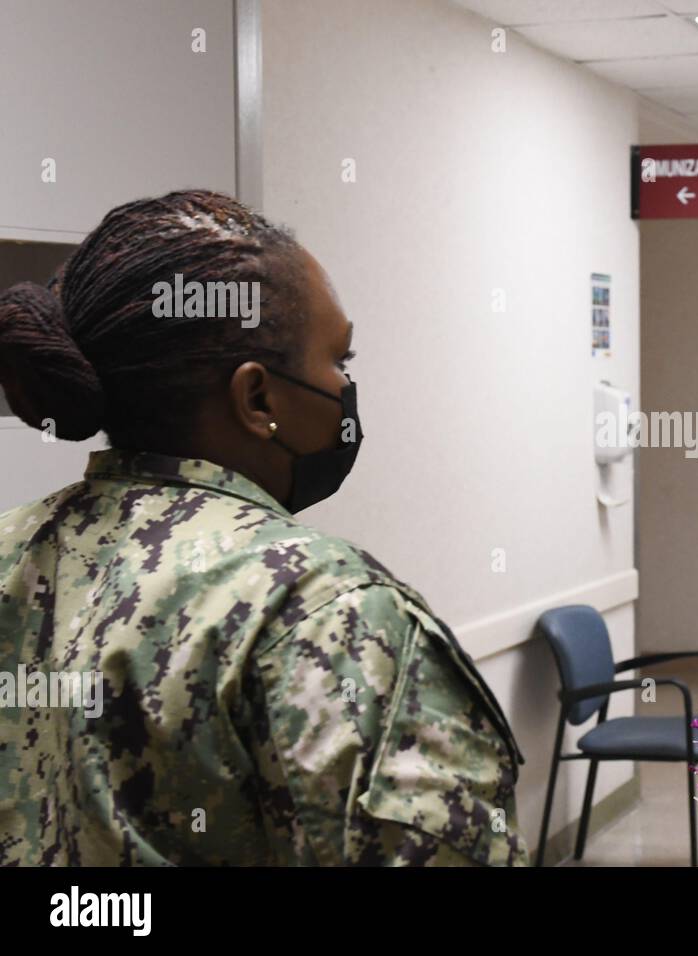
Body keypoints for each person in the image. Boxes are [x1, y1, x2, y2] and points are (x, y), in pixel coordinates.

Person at [0, 190, 526, 865]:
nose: (344, 389)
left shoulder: (13, 549)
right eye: (341, 362)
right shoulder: (318, 605)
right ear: (257, 398)